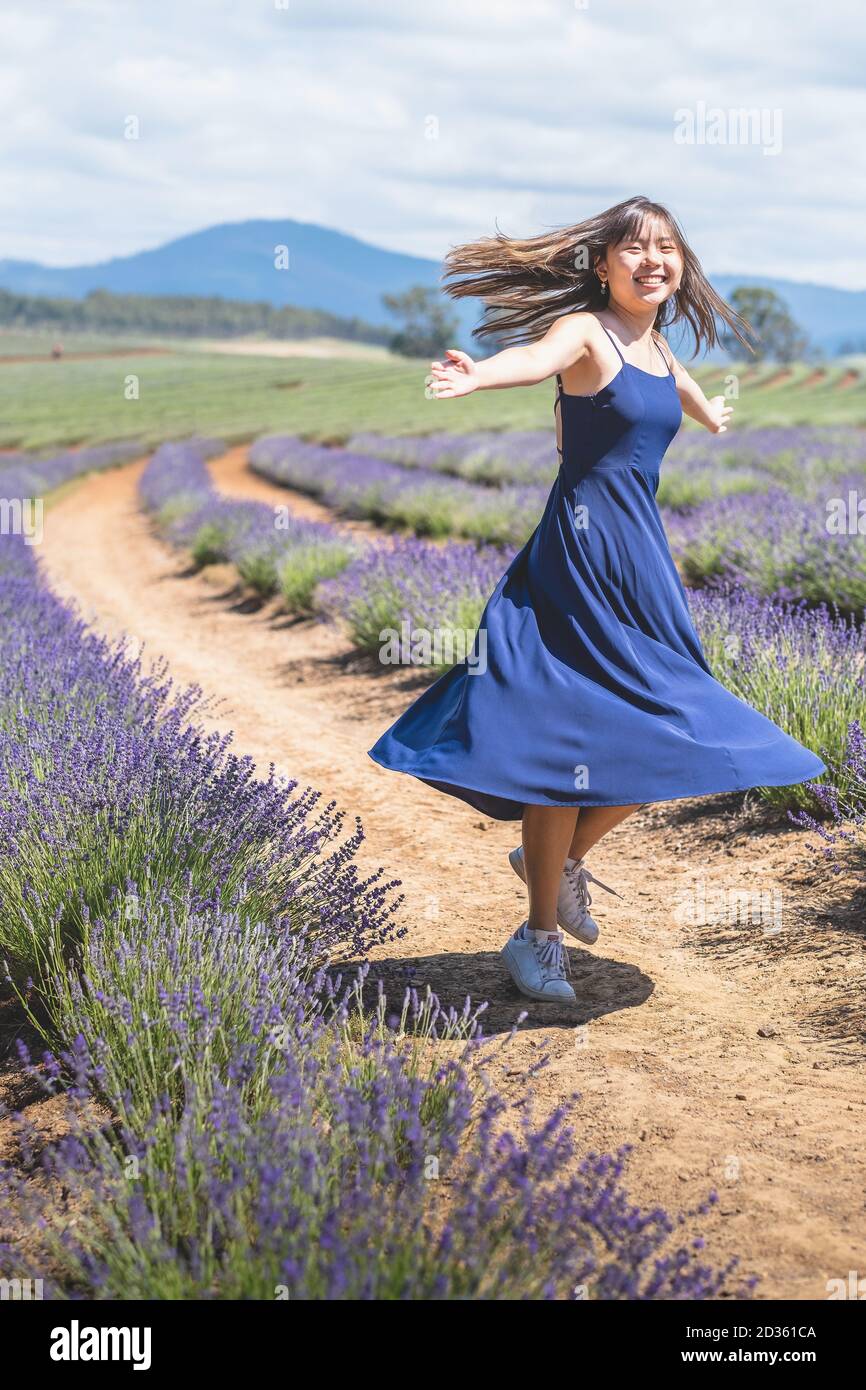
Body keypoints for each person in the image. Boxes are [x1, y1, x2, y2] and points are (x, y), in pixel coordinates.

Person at [368, 196, 826, 1005]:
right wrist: (479, 374)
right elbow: (535, 358)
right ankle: (538, 937)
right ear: (602, 262)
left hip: (640, 562)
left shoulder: (654, 346)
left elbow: (672, 383)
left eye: (668, 249)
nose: (655, 261)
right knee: (560, 734)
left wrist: (710, 413)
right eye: (637, 249)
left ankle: (562, 861)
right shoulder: (585, 332)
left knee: (670, 722)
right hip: (575, 560)